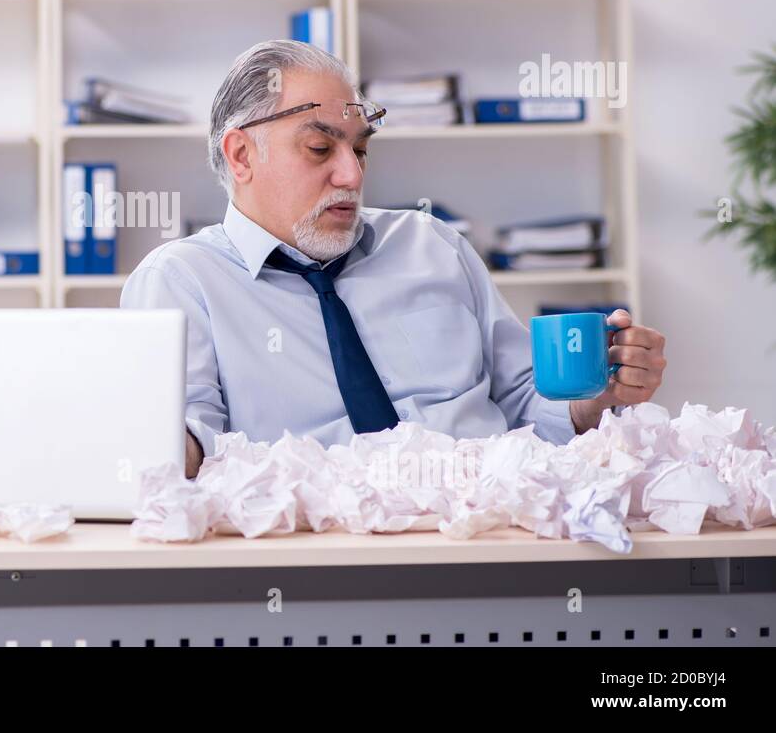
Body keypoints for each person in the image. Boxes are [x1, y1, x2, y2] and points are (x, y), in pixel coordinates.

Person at [120, 40, 667, 478]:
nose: (352, 175)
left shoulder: (432, 244)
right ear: (242, 155)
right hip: (316, 562)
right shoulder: (182, 281)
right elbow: (186, 453)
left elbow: (525, 399)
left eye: (360, 148)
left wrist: (597, 397)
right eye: (319, 148)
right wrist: (144, 442)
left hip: (493, 532)